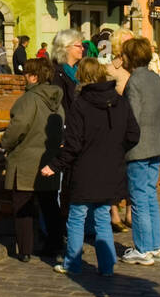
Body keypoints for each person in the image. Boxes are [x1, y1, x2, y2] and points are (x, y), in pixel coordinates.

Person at [42, 58, 140, 276]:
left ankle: (72, 263)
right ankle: (107, 266)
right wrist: (116, 149)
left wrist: (54, 165)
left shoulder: (81, 104)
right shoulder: (120, 101)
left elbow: (73, 144)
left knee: (77, 216)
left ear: (82, 77)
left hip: (85, 169)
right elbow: (134, 134)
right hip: (111, 168)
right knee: (103, 216)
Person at [1, 58, 66, 261]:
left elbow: (18, 127)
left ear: (34, 77)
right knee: (49, 205)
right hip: (48, 158)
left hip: (26, 158)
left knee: (23, 204)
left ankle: (25, 249)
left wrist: (5, 143)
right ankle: (55, 243)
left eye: (26, 75)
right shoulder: (56, 101)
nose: (24, 78)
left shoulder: (29, 99)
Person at [117, 37, 160, 265]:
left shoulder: (134, 81)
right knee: (150, 196)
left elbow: (131, 117)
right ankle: (155, 245)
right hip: (157, 141)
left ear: (130, 58)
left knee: (139, 198)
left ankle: (143, 248)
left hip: (138, 146)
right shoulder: (156, 79)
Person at [50, 29, 85, 110]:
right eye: (79, 46)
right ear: (66, 47)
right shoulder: (56, 73)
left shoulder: (78, 70)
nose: (82, 49)